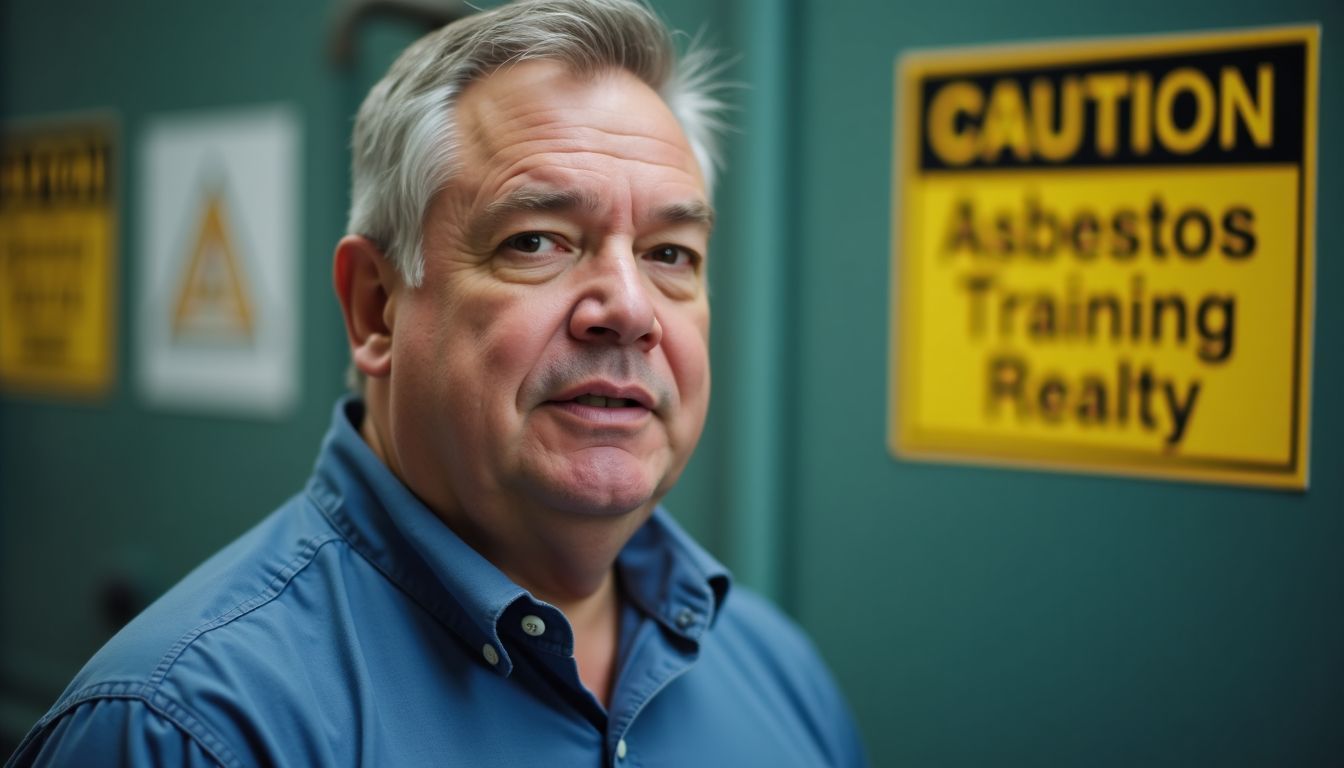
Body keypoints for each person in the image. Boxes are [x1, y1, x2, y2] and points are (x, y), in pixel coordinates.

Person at [9, 1, 866, 765]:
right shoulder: (180, 733)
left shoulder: (781, 679)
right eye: (536, 241)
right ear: (376, 309)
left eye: (670, 254)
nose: (631, 310)